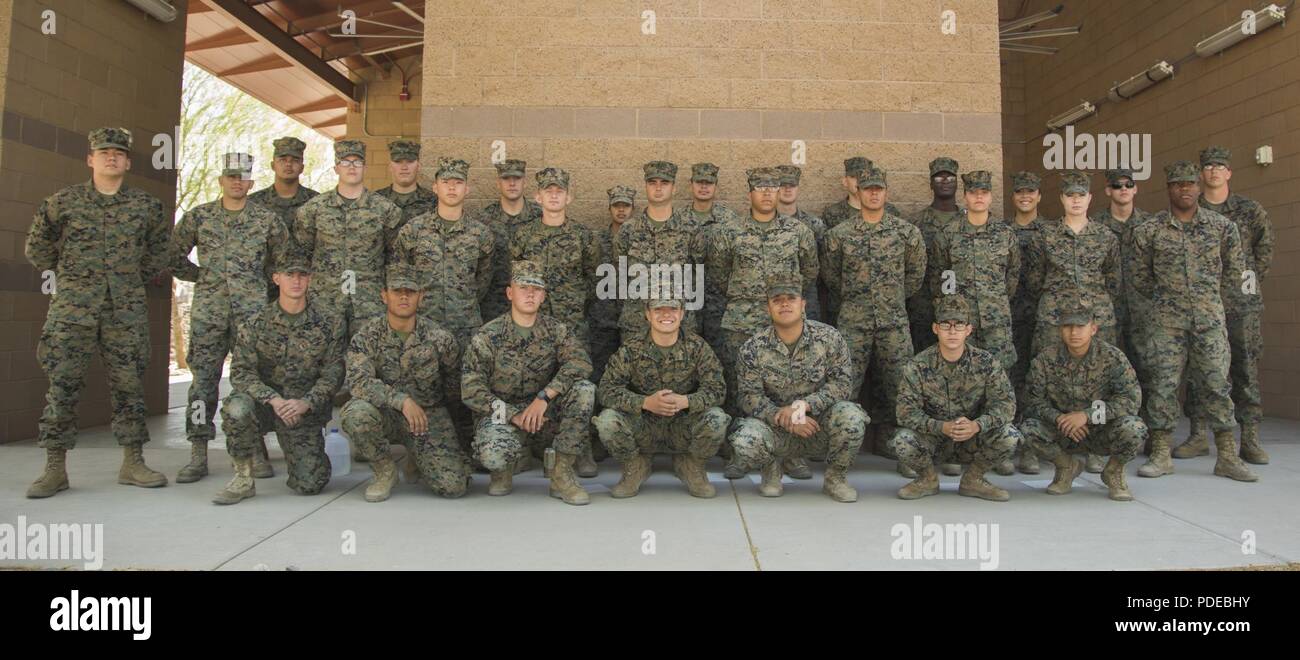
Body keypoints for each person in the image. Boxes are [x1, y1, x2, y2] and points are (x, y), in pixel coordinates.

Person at [25, 127, 171, 498]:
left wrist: (131, 277)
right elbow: (37, 246)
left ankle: (132, 462)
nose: (111, 157)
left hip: (125, 310)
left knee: (129, 387)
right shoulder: (63, 202)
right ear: (90, 159)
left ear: (127, 161)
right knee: (63, 386)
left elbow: (159, 251)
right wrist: (71, 274)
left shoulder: (145, 206)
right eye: (104, 152)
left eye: (118, 153)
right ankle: (55, 468)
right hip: (73, 309)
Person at [1131, 161, 1255, 483]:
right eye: (1177, 184)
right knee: (1162, 386)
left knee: (1216, 385)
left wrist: (1215, 306)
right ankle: (1161, 453)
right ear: (1168, 188)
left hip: (1209, 321)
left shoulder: (1221, 227)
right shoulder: (1150, 230)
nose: (1184, 189)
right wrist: (1163, 305)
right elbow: (1140, 278)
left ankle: (1227, 455)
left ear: (1199, 186)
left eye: (1189, 183)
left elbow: (1235, 273)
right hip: (1166, 324)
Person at [170, 152, 287, 483]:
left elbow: (281, 264)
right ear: (221, 180)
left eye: (243, 177)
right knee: (203, 384)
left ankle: (255, 449)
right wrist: (203, 277)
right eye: (231, 176)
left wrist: (257, 287)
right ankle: (198, 452)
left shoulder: (266, 221)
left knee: (253, 381)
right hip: (209, 314)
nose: (237, 182)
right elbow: (174, 255)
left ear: (251, 182)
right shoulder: (200, 217)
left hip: (252, 317)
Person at [213, 248, 346, 505]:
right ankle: (242, 476)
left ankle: (299, 454)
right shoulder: (255, 324)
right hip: (266, 406)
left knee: (310, 483)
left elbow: (334, 372)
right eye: (289, 275)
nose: (296, 281)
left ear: (310, 279)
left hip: (302, 410)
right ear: (276, 279)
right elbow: (241, 372)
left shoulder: (330, 323)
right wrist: (273, 399)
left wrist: (307, 402)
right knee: (236, 409)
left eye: (302, 275)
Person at [460, 261, 597, 505]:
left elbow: (580, 363)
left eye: (536, 289)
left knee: (584, 390)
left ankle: (561, 472)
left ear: (543, 296)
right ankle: (507, 465)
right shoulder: (488, 335)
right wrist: (513, 415)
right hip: (503, 414)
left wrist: (545, 397)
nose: (530, 294)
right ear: (510, 293)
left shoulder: (556, 330)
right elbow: (471, 389)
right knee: (494, 455)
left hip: (543, 414)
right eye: (523, 288)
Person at [727, 279, 867, 503]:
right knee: (744, 438)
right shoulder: (753, 347)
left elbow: (841, 385)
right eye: (777, 300)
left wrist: (803, 406)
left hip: (817, 427)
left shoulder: (830, 338)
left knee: (851, 416)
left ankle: (836, 478)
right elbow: (748, 397)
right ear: (768, 307)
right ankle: (771, 471)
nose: (784, 305)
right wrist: (784, 417)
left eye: (791, 299)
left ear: (803, 304)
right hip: (777, 429)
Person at [340, 265, 470, 502]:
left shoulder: (440, 339)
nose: (403, 296)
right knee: (356, 413)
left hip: (426, 417)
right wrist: (401, 401)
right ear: (384, 295)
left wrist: (447, 433)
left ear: (420, 297)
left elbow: (454, 389)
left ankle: (418, 456)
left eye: (410, 292)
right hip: (385, 414)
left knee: (453, 487)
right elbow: (359, 381)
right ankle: (384, 470)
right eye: (397, 291)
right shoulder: (367, 336)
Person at [593, 295, 729, 498]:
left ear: (682, 314)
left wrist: (686, 401)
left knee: (717, 419)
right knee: (607, 421)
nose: (666, 315)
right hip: (644, 426)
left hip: (681, 426)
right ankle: (635, 465)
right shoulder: (631, 349)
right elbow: (606, 390)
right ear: (648, 314)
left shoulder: (698, 347)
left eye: (673, 309)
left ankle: (692, 465)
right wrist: (645, 403)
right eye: (658, 310)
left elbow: (717, 389)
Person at [891, 295, 1020, 502]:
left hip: (973, 438)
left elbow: (1006, 405)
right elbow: (905, 413)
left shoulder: (987, 363)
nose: (952, 331)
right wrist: (941, 427)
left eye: (959, 325)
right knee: (902, 441)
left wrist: (977, 425)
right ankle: (927, 479)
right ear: (935, 329)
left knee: (1010, 435)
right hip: (935, 440)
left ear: (968, 330)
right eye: (946, 325)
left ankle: (973, 479)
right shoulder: (918, 365)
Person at [1021, 303, 1145, 501]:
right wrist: (1061, 418)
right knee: (1028, 429)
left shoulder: (1112, 357)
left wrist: (1086, 416)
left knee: (1134, 428)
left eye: (1080, 327)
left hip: (1101, 430)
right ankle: (1066, 467)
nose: (1074, 332)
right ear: (1060, 330)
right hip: (1062, 430)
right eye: (1068, 327)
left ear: (1093, 329)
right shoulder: (1045, 359)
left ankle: (1113, 471)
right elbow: (1032, 401)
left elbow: (1130, 399)